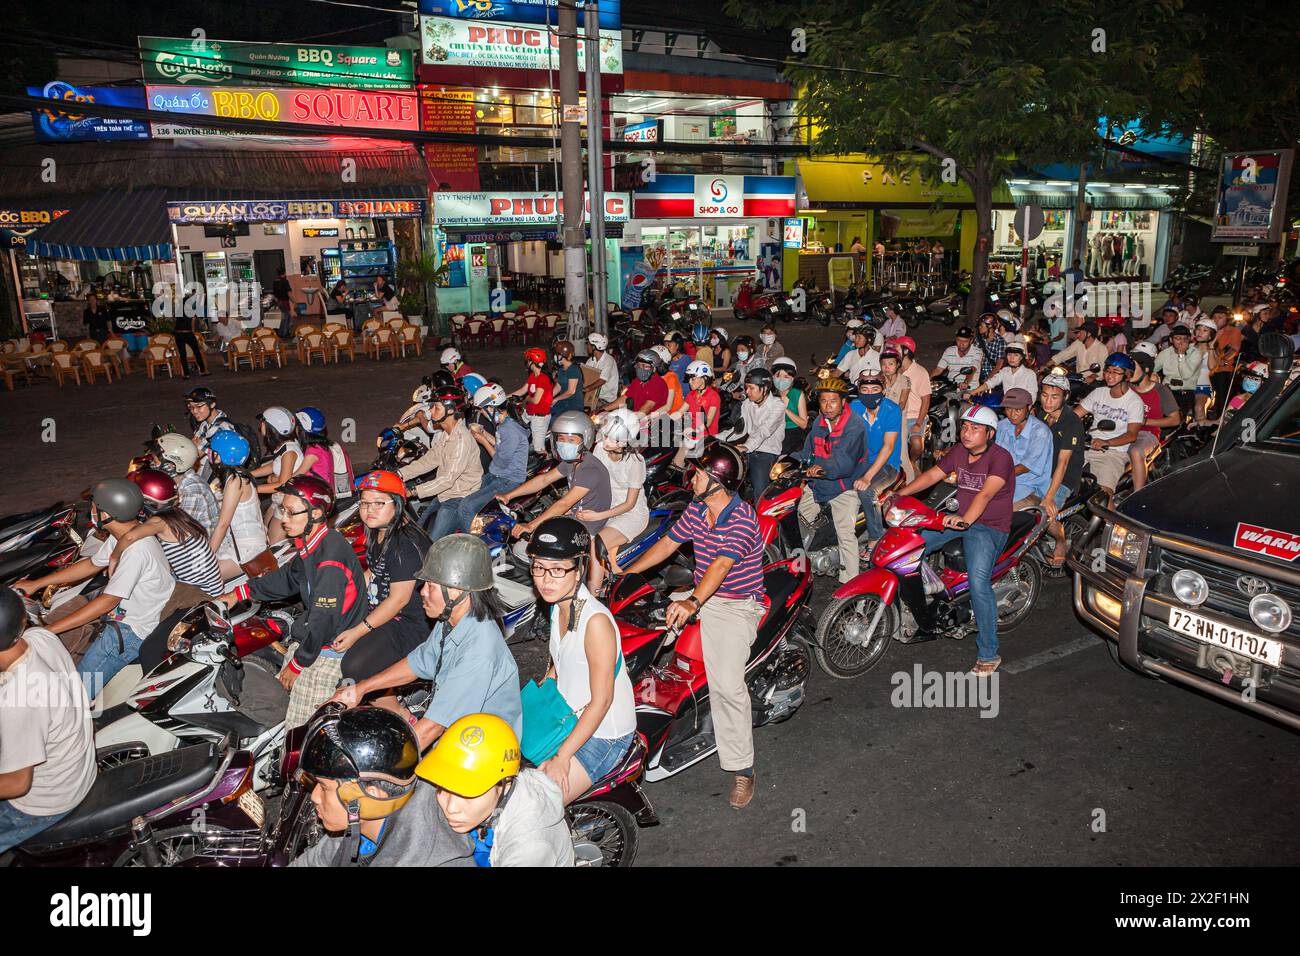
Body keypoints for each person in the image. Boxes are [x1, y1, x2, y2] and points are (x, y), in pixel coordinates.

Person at [623, 444, 767, 810]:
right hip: (700, 592)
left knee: (727, 685)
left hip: (735, 604)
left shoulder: (742, 519)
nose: (694, 477)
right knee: (639, 631)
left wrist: (692, 602)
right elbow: (670, 542)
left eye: (701, 473)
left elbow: (720, 566)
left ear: (718, 483)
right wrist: (628, 574)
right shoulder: (699, 509)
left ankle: (743, 768)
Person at [330, 536, 522, 751]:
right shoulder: (450, 620)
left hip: (482, 747)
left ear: (457, 591)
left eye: (431, 586)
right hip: (454, 729)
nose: (422, 592)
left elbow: (433, 727)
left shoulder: (479, 652)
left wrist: (384, 768)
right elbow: (417, 663)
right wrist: (360, 689)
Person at [219, 476, 365, 727]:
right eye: (281, 509)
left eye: (290, 512)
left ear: (316, 513)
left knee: (299, 729)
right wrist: (239, 593)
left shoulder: (330, 560)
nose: (283, 518)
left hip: (327, 653)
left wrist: (297, 665)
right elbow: (287, 578)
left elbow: (324, 620)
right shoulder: (315, 543)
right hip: (311, 641)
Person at [16, 479, 174, 691]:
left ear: (106, 514)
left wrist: (49, 631)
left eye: (94, 506)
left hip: (129, 632)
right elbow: (91, 564)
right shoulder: (123, 535)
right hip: (118, 616)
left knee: (77, 693)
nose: (90, 510)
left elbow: (108, 601)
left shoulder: (136, 551)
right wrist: (36, 584)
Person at [890, 405, 1014, 674]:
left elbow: (985, 495)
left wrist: (966, 520)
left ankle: (989, 653)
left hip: (988, 528)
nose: (967, 433)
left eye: (975, 429)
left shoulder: (1000, 458)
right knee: (910, 543)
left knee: (979, 582)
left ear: (990, 434)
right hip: (958, 520)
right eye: (965, 427)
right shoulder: (959, 451)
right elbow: (933, 475)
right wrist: (900, 495)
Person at [527, 518, 637, 801]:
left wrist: (563, 757)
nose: (546, 579)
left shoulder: (596, 622)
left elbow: (602, 701)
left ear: (578, 570)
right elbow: (560, 660)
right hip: (567, 716)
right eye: (539, 567)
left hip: (602, 734)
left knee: (537, 805)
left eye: (557, 570)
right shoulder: (558, 607)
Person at [290, 706, 473, 868]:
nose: (314, 796)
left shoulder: (425, 859)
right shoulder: (357, 824)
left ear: (370, 797)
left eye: (324, 787)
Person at [0, 588, 96, 853]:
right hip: (75, 766)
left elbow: (19, 783)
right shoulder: (38, 637)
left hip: (42, 802)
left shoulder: (19, 699)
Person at [416, 713, 573, 866]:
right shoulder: (503, 778)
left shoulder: (529, 847)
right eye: (442, 788)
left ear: (506, 783)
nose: (451, 807)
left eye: (467, 794)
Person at [333, 471, 433, 684]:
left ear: (397, 504)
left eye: (379, 503)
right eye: (364, 504)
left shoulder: (404, 545)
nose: (369, 510)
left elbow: (399, 600)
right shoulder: (379, 532)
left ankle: (398, 711)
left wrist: (358, 632)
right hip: (384, 608)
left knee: (355, 666)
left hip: (410, 623)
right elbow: (374, 573)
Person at [795, 376, 868, 583]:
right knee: (798, 520)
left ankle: (850, 584)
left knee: (846, 534)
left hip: (844, 486)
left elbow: (843, 463)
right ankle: (804, 567)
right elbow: (807, 452)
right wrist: (789, 462)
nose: (828, 406)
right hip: (818, 483)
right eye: (823, 401)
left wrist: (821, 468)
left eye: (833, 401)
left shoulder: (855, 426)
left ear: (843, 401)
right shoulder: (819, 422)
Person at [503, 412, 612, 540]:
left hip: (588, 528)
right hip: (574, 517)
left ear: (585, 439)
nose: (565, 443)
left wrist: (530, 526)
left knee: (528, 547)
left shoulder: (590, 469)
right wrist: (508, 496)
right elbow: (543, 480)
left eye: (571, 440)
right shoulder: (572, 461)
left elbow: (564, 503)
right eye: (561, 439)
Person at [399, 383, 483, 539]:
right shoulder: (446, 434)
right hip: (444, 493)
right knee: (418, 532)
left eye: (436, 407)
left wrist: (412, 492)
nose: (430, 411)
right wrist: (399, 474)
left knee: (432, 542)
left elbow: (447, 479)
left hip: (459, 497)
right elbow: (429, 460)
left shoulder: (461, 441)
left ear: (451, 410)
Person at [585, 410, 648, 591]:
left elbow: (630, 503)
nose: (605, 441)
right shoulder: (599, 448)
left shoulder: (635, 461)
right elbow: (591, 480)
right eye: (605, 435)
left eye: (610, 438)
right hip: (605, 507)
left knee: (597, 543)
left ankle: (593, 597)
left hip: (631, 514)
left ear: (623, 441)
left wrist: (598, 515)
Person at [459, 383, 530, 529]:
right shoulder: (505, 423)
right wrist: (483, 432)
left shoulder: (509, 429)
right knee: (466, 493)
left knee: (466, 507)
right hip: (497, 474)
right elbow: (500, 445)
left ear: (491, 407)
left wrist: (482, 441)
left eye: (482, 411)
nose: (483, 414)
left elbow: (500, 461)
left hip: (508, 479)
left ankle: (477, 547)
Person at [1074, 353, 1146, 498]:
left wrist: (1106, 442)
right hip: (1087, 446)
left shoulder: (1134, 402)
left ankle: (1110, 521)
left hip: (1113, 453)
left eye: (1115, 372)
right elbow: (1075, 415)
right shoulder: (1099, 392)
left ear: (1127, 375)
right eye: (1107, 371)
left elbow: (1132, 435)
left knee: (1102, 495)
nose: (1109, 375)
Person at [1036, 371, 1086, 575]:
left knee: (1042, 515)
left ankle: (1061, 540)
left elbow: (1063, 464)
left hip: (1063, 478)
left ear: (1065, 397)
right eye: (1045, 395)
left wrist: (1048, 498)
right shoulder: (1042, 414)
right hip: (1042, 471)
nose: (1048, 401)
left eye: (1054, 397)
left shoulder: (1071, 422)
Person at [206, 429, 269, 581]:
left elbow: (223, 524)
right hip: (238, 542)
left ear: (220, 456)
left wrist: (207, 558)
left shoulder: (235, 482)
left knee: (204, 576)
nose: (208, 453)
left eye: (212, 450)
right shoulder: (239, 475)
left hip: (247, 548)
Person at [848, 374, 902, 545]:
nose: (870, 394)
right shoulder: (854, 407)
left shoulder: (892, 410)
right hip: (861, 462)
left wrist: (867, 477)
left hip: (887, 465)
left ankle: (875, 537)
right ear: (859, 392)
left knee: (867, 491)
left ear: (883, 391)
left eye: (875, 390)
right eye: (865, 390)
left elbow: (888, 447)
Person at [1127, 351, 1182, 490]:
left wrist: (1144, 422)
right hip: (1123, 431)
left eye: (1132, 367)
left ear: (1145, 370)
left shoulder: (1160, 390)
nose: (1127, 371)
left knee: (1135, 451)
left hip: (1147, 434)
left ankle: (1137, 494)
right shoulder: (1125, 388)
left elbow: (1175, 419)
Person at [148, 430, 219, 535]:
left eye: (155, 461)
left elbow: (177, 532)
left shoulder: (192, 492)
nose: (152, 464)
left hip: (198, 545)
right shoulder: (178, 482)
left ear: (171, 466)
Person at [993, 388, 1054, 509]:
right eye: (1008, 409)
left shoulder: (1040, 432)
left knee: (1000, 511)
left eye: (1018, 410)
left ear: (1029, 408)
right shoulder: (1003, 425)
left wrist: (996, 475)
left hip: (1030, 489)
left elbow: (1025, 467)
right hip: (1004, 483)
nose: (1012, 414)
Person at [738, 366, 787, 502]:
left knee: (760, 492)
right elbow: (740, 429)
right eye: (746, 387)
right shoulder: (747, 404)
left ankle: (761, 520)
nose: (747, 392)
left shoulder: (778, 405)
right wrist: (716, 438)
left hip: (767, 452)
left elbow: (764, 430)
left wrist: (746, 446)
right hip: (749, 449)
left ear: (764, 388)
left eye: (751, 388)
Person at [297, 407, 354, 504]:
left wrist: (279, 481)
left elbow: (298, 475)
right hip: (323, 489)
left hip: (317, 495)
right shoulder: (323, 445)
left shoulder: (312, 452)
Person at [895, 336, 932, 480]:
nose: (892, 350)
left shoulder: (920, 372)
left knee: (917, 444)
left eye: (897, 347)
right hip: (897, 414)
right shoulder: (893, 369)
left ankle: (913, 461)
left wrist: (918, 423)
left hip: (914, 416)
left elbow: (926, 400)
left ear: (905, 351)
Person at [1153, 324, 1202, 419]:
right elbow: (1152, 369)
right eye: (1178, 338)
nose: (1181, 342)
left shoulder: (1195, 353)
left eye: (1185, 339)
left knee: (1181, 420)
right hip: (1167, 390)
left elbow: (1186, 375)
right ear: (1171, 340)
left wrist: (1181, 354)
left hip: (1185, 392)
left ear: (1190, 340)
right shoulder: (1165, 353)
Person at [969, 335, 1038, 401]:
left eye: (1016, 355)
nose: (1012, 358)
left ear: (1022, 357)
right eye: (1009, 354)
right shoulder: (1005, 371)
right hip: (1006, 408)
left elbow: (1032, 397)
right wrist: (973, 392)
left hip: (1022, 409)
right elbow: (991, 383)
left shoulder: (1030, 374)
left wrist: (1024, 409)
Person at [512, 348, 553, 453]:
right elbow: (523, 390)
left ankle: (546, 465)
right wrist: (506, 396)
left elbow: (536, 400)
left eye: (528, 360)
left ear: (532, 361)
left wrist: (526, 398)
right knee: (515, 427)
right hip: (530, 412)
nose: (526, 362)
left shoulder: (543, 378)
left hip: (539, 417)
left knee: (538, 448)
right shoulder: (533, 376)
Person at [612, 350, 669, 418]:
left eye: (644, 366)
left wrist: (632, 419)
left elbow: (648, 407)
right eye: (638, 365)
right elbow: (624, 398)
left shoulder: (659, 383)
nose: (640, 368)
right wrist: (603, 409)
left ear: (654, 368)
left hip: (653, 422)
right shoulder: (638, 381)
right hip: (637, 419)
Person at [1210, 306, 1243, 420]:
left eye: (1220, 317)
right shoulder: (1208, 330)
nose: (1216, 319)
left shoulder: (1233, 331)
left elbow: (1233, 350)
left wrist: (1222, 361)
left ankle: (1223, 418)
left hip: (1223, 369)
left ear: (1227, 319)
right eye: (1214, 317)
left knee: (1222, 396)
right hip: (1207, 368)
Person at [772, 357, 809, 455]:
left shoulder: (797, 395)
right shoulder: (768, 395)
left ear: (792, 379)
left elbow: (804, 424)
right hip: (772, 432)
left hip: (793, 433)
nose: (781, 380)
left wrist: (784, 408)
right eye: (778, 375)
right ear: (773, 377)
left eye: (786, 377)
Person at [1190, 317, 1217, 423]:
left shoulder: (1212, 350)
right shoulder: (1189, 347)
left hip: (1202, 387)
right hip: (1185, 386)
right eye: (1199, 329)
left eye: (1205, 330)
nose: (1200, 332)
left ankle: (1201, 434)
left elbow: (1212, 367)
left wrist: (1211, 347)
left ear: (1211, 335)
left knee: (1199, 409)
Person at [172, 306, 209, 378]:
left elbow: (174, 323)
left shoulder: (177, 311)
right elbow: (192, 325)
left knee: (182, 354)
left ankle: (186, 374)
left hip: (178, 334)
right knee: (197, 351)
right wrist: (192, 332)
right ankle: (202, 371)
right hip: (188, 333)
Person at [550, 340, 585, 417]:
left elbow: (571, 391)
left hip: (573, 405)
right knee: (546, 413)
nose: (554, 356)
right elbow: (559, 386)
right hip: (563, 402)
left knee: (554, 420)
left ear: (562, 355)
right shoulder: (561, 369)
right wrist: (548, 397)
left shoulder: (574, 369)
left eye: (556, 354)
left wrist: (556, 399)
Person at [586, 333, 621, 407]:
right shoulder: (590, 361)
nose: (587, 346)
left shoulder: (609, 360)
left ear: (594, 347)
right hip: (593, 396)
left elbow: (602, 380)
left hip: (605, 399)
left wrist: (586, 389)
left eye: (588, 344)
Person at [974, 312, 1006, 382]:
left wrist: (988, 379)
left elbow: (999, 364)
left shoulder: (1000, 341)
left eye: (981, 325)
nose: (979, 327)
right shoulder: (978, 339)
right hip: (978, 376)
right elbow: (974, 358)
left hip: (993, 378)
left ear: (990, 327)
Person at [272, 269, 295, 336]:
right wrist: (294, 302)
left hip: (279, 302)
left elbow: (274, 294)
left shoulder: (275, 281)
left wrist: (277, 301)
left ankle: (285, 332)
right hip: (284, 302)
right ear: (284, 273)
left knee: (284, 317)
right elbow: (289, 293)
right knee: (286, 317)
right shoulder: (285, 281)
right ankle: (283, 333)